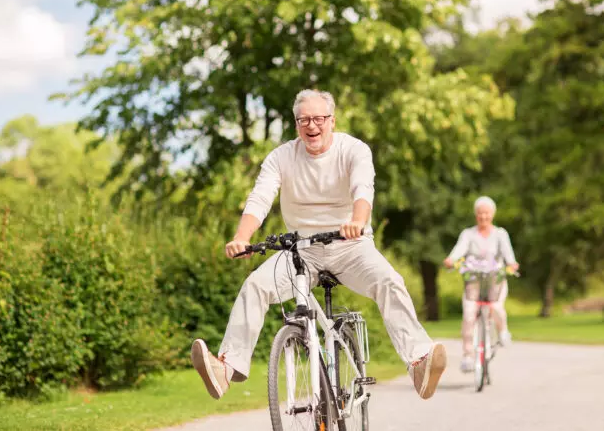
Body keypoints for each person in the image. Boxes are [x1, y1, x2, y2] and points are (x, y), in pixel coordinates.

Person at [190, 89, 447, 400]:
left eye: (318, 119)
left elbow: (363, 188)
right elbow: (260, 199)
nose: (311, 126)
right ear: (296, 124)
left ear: (332, 121)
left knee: (389, 281)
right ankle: (225, 369)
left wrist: (357, 220)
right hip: (301, 250)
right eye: (303, 120)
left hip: (351, 246)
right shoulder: (281, 157)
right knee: (255, 286)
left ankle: (419, 362)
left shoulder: (354, 150)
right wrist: (242, 238)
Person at [443, 196, 519, 373]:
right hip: (474, 280)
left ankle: (502, 331)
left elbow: (508, 254)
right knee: (469, 315)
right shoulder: (468, 234)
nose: (483, 217)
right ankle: (468, 356)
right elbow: (459, 250)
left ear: (492, 214)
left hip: (495, 280)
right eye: (480, 213)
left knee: (497, 307)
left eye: (486, 213)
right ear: (476, 215)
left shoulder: (500, 234)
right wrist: (451, 259)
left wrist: (512, 264)